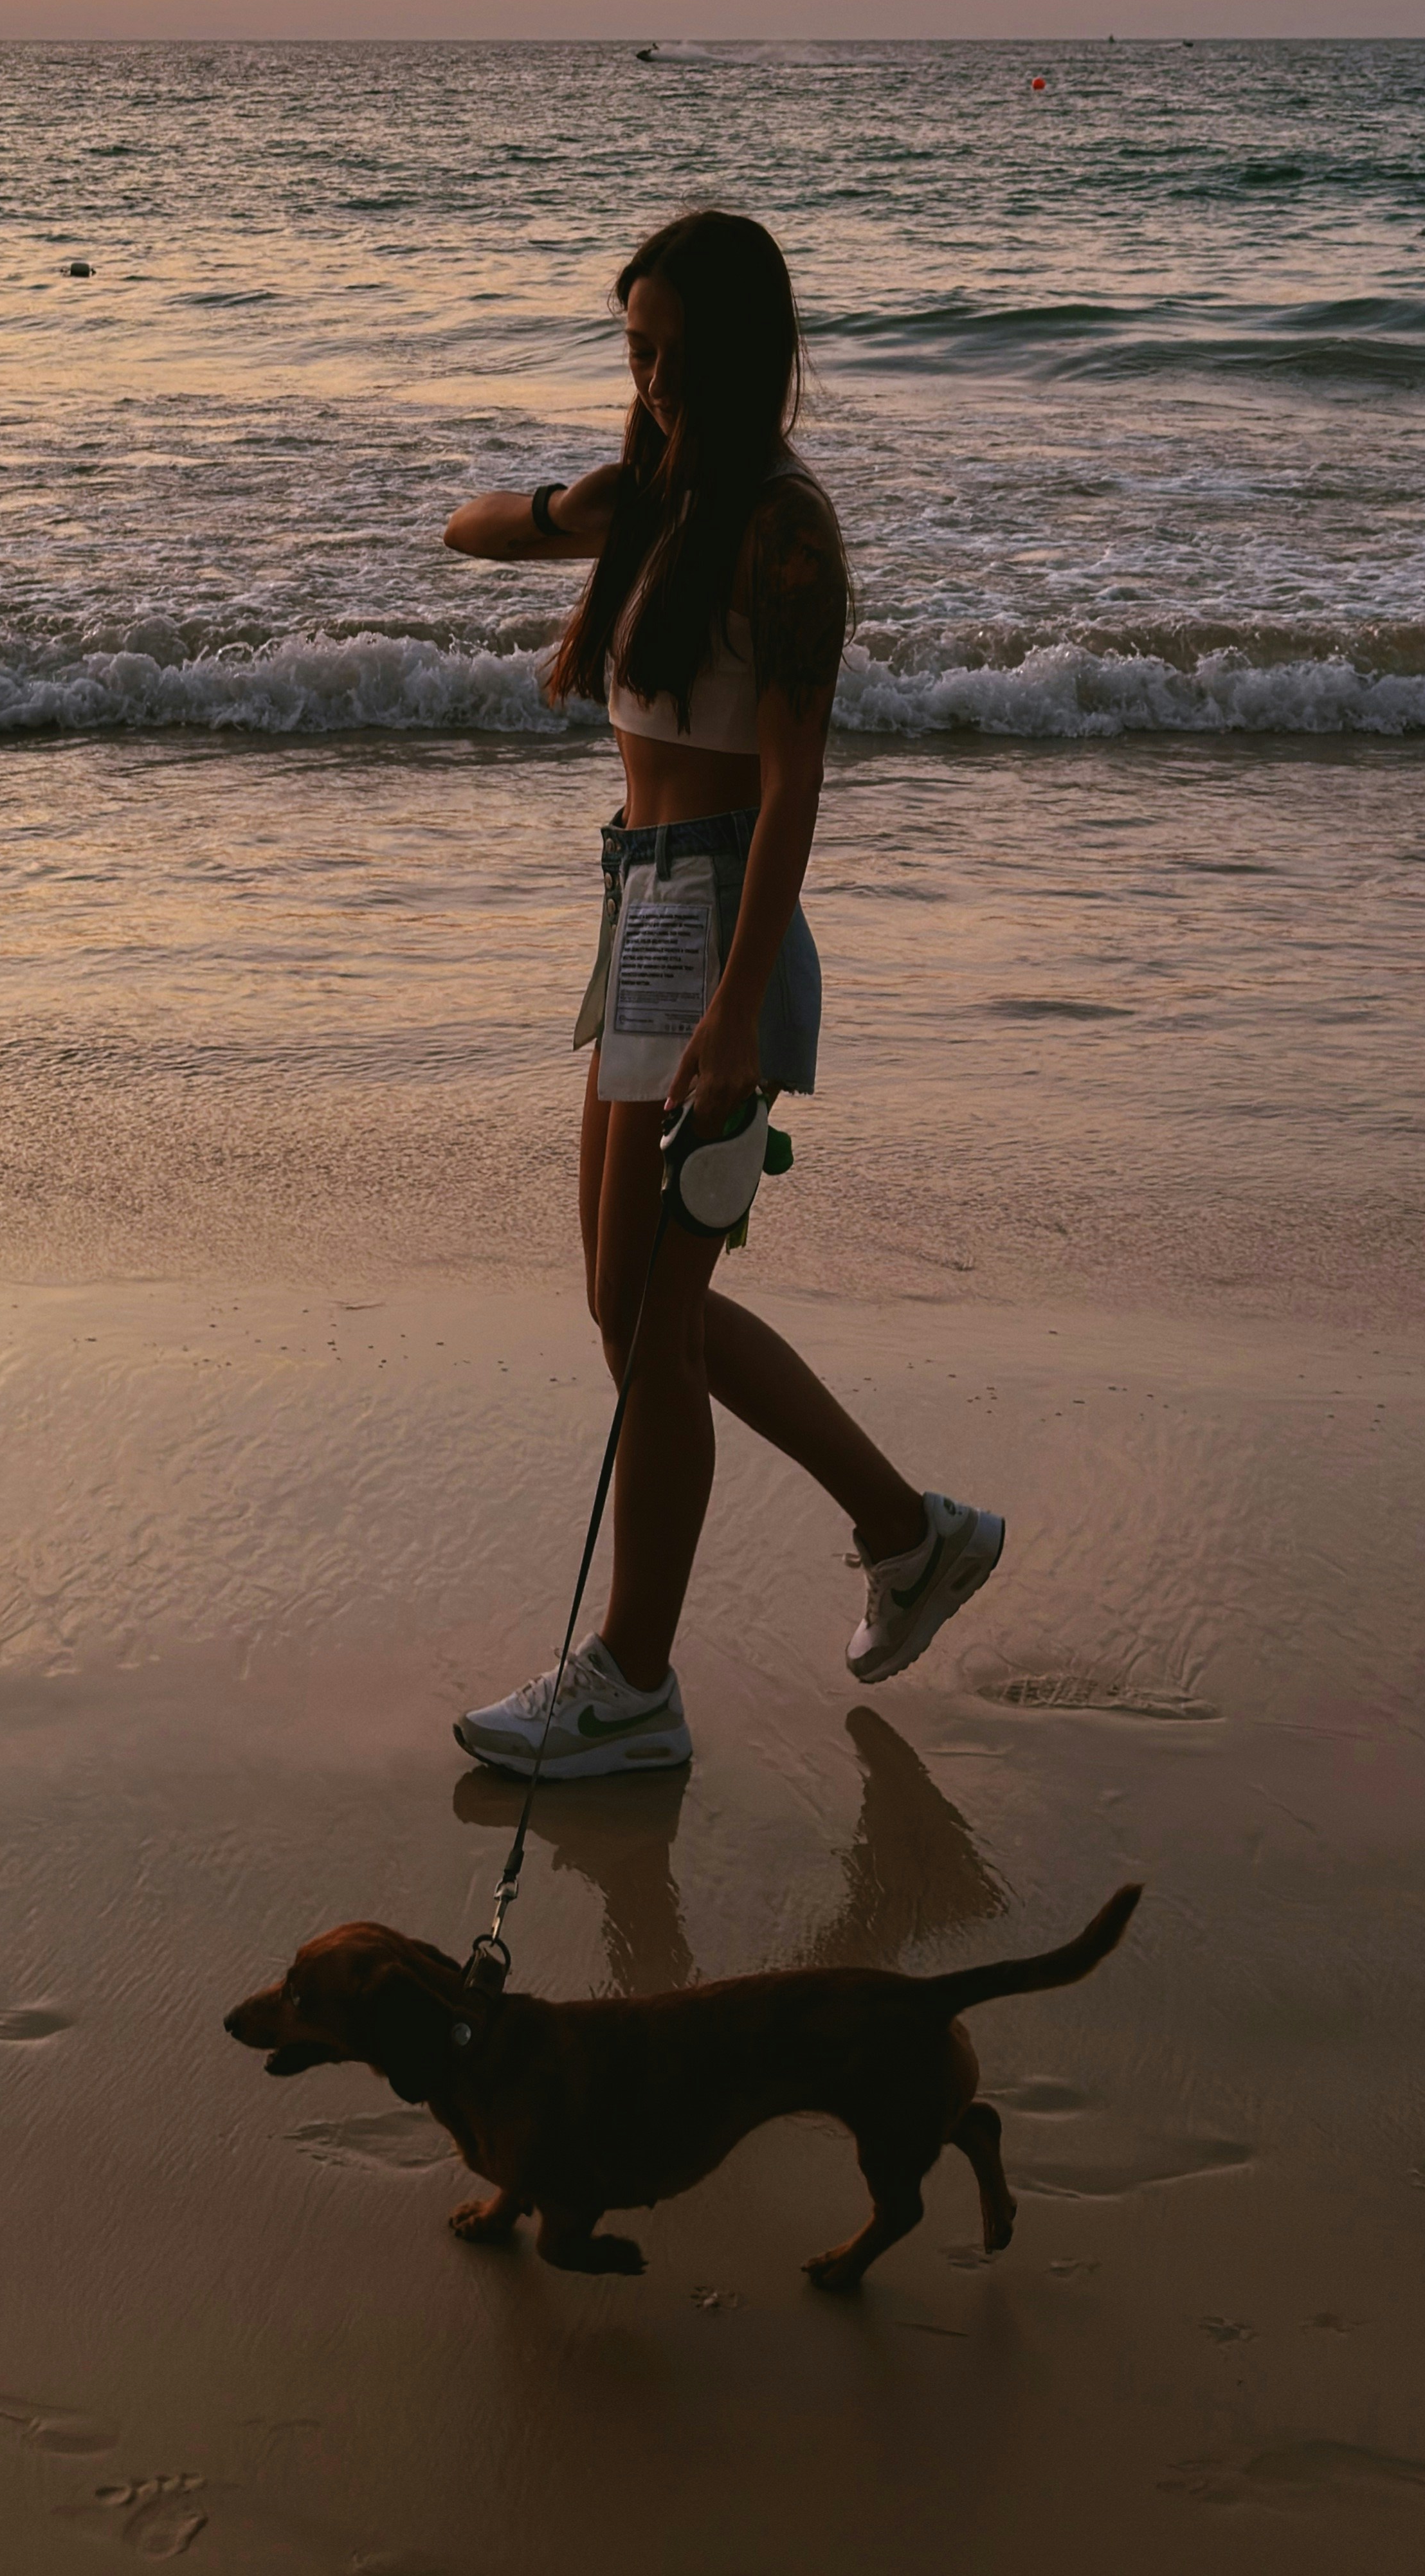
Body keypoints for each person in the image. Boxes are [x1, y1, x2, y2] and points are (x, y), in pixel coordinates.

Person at [440, 206, 1003, 1780]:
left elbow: (796, 784)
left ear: (753, 355)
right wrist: (576, 499)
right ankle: (907, 1531)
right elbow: (466, 530)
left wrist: (734, 1009)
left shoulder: (782, 529)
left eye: (681, 356)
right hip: (641, 917)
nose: (657, 380)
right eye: (637, 353)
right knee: (631, 1310)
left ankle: (632, 1677)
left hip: (719, 935)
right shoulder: (658, 499)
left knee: (649, 1322)